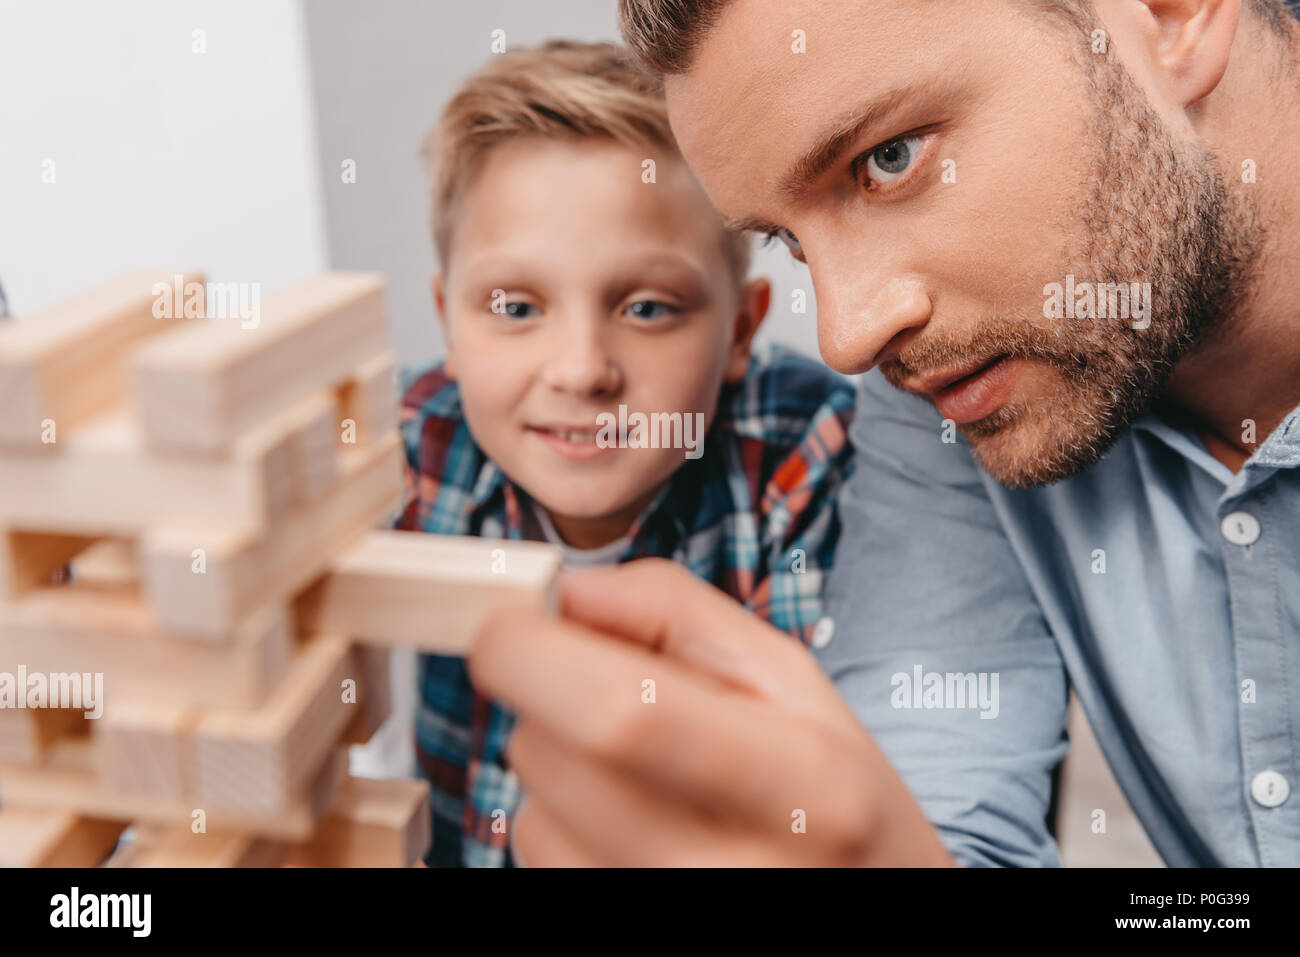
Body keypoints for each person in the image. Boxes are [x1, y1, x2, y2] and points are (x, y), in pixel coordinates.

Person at [467, 0, 1300, 866]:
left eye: (888, 161)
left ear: (1173, 17)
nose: (849, 336)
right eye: (791, 241)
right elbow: (939, 816)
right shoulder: (958, 388)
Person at [396, 39, 855, 866]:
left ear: (741, 330)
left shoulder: (803, 454)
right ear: (447, 324)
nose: (580, 371)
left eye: (647, 309)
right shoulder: (416, 436)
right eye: (514, 306)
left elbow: (849, 770)